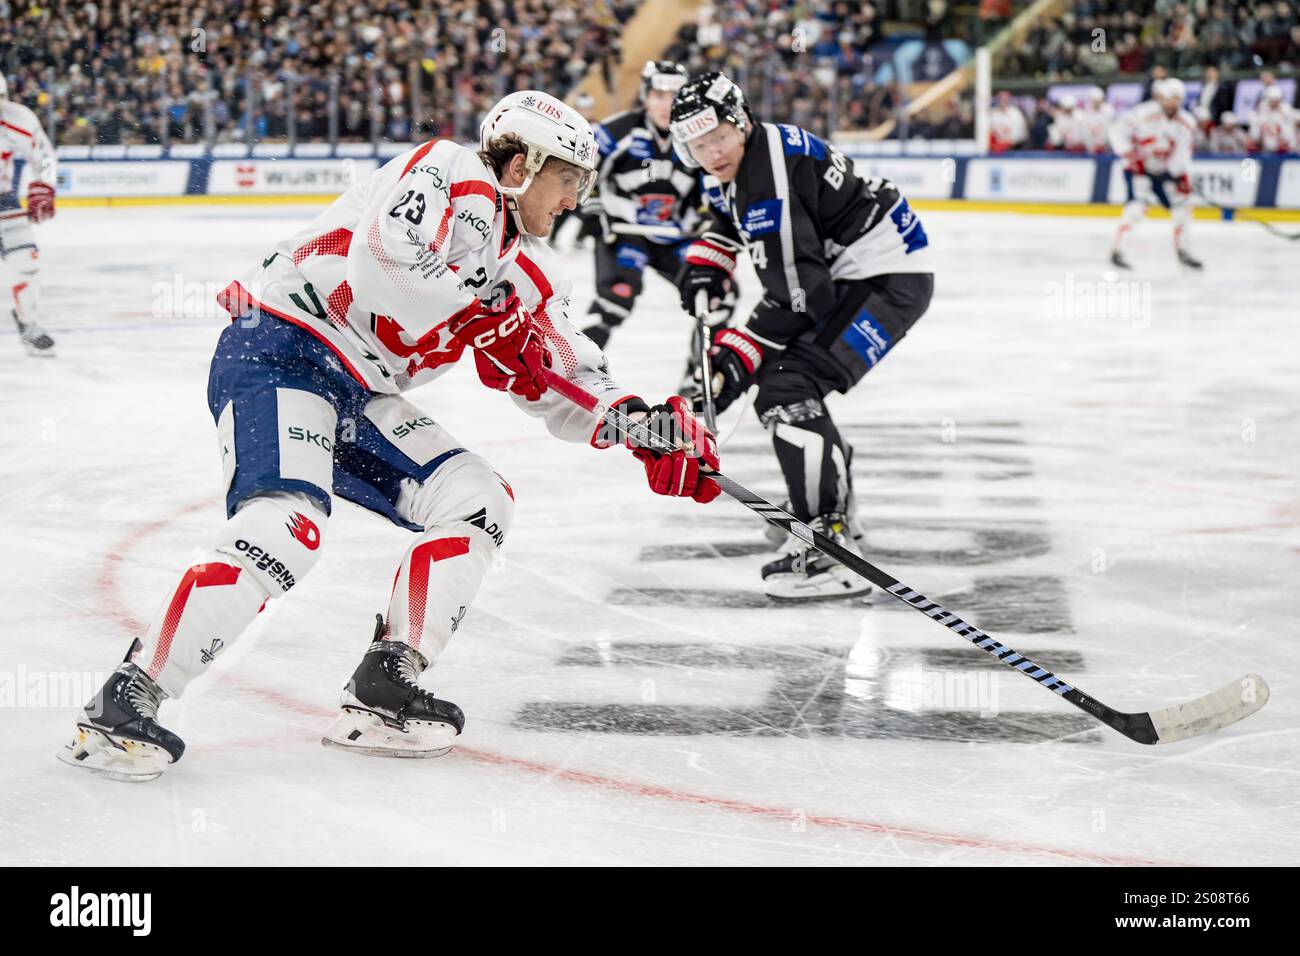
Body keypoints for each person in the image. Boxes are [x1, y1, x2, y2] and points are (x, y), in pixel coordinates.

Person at [58, 90, 721, 781]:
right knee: (287, 526)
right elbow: (383, 259)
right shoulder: (450, 169)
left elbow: (561, 372)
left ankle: (386, 678)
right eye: (567, 180)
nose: (573, 200)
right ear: (521, 164)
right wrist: (475, 312)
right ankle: (131, 693)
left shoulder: (521, 271)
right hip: (281, 348)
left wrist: (642, 427)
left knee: (478, 499)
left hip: (358, 391)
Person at [669, 71, 934, 602]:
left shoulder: (767, 180)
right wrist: (707, 262)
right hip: (868, 271)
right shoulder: (752, 154)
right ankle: (831, 504)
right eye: (697, 144)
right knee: (784, 378)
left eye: (718, 136)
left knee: (787, 386)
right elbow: (726, 216)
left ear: (740, 122)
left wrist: (739, 356)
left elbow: (803, 298)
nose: (710, 152)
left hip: (885, 281)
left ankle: (831, 547)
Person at [580, 61, 707, 351]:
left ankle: (700, 381)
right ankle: (576, 373)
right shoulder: (618, 130)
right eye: (658, 95)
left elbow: (711, 189)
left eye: (674, 95)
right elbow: (582, 171)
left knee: (714, 297)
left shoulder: (697, 139)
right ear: (645, 95)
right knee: (616, 298)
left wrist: (708, 217)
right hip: (625, 233)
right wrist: (594, 210)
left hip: (676, 237)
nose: (666, 104)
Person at [1109, 77, 1202, 270]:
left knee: (1183, 207)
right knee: (1136, 209)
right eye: (1168, 98)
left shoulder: (1187, 123)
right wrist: (1129, 155)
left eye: (1176, 99)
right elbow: (1116, 132)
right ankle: (1118, 251)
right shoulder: (1141, 114)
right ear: (1160, 97)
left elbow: (1183, 153)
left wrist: (1179, 174)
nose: (1172, 103)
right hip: (1139, 169)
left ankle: (1183, 250)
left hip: (1163, 172)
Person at [0, 74, 57, 356]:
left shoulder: (16, 118)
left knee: (27, 263)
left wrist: (44, 186)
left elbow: (44, 154)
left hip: (3, 200)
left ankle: (28, 324)